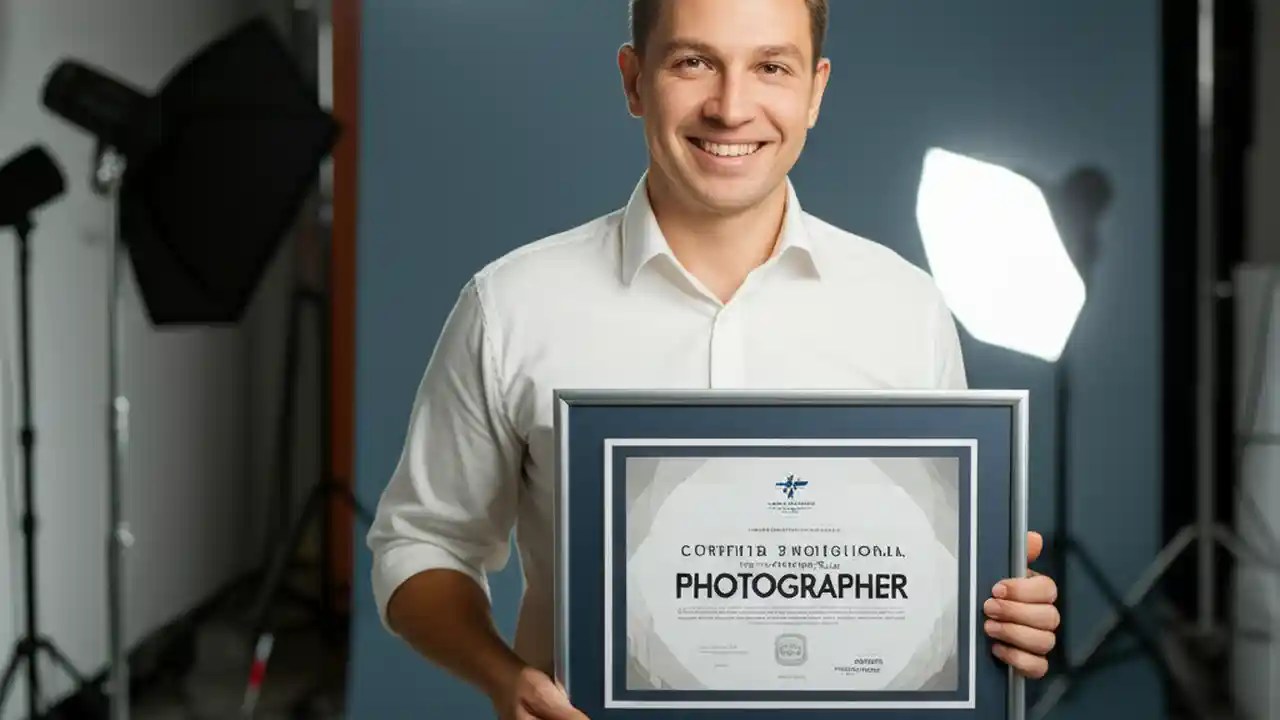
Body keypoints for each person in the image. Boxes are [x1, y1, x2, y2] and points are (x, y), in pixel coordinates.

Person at [368, 0, 1061, 717]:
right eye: (694, 62)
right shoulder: (510, 306)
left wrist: (1005, 611)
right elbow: (422, 545)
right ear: (634, 81)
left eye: (771, 66)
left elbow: (924, 573)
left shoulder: (906, 310)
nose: (732, 108)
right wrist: (501, 676)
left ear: (815, 89)